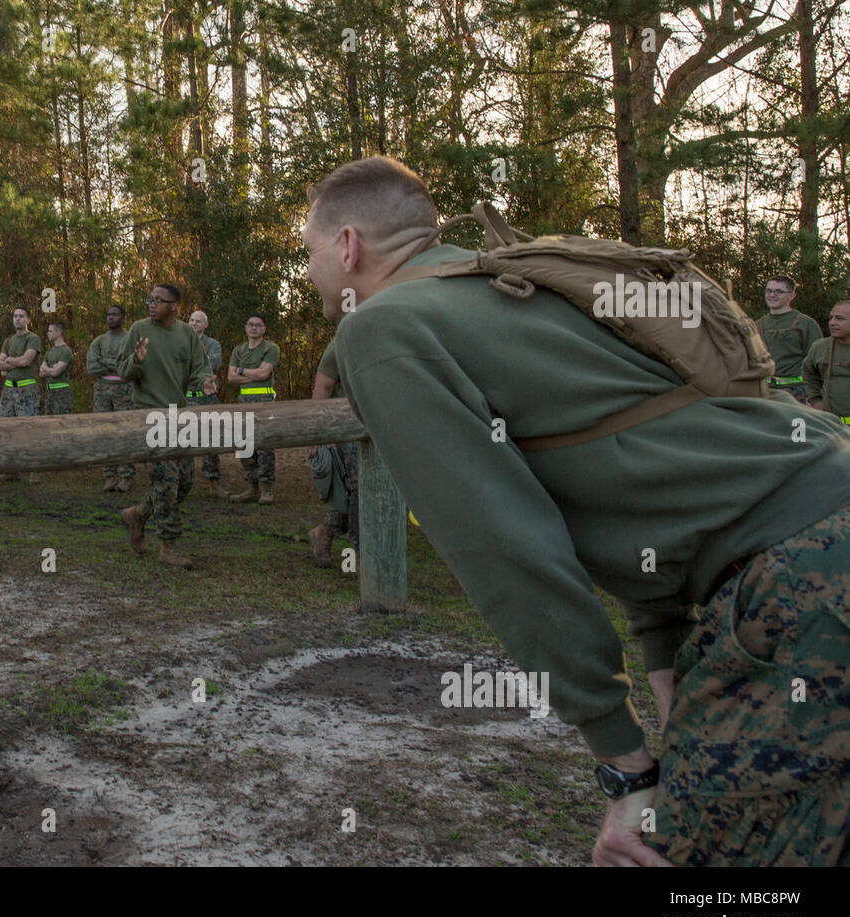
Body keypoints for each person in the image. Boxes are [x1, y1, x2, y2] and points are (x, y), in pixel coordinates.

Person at [304, 155, 850, 866]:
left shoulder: (381, 329)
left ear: (347, 246)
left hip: (805, 580)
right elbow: (654, 461)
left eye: (308, 252)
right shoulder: (527, 278)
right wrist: (668, 681)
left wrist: (624, 764)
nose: (309, 270)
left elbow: (505, 548)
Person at [118, 283, 215, 568]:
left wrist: (205, 381)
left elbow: (199, 367)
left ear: (175, 305)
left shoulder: (186, 333)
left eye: (159, 300)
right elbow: (122, 371)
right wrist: (136, 361)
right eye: (150, 299)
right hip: (148, 414)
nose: (151, 304)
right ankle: (168, 546)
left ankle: (137, 513)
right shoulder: (138, 329)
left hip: (178, 415)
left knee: (184, 482)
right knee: (166, 482)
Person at [306, 339, 359, 566]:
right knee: (361, 488)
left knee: (364, 490)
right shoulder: (343, 341)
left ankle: (325, 531)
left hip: (385, 427)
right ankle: (360, 556)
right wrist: (318, 434)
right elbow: (323, 386)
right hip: (347, 426)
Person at [226, 314, 279, 504]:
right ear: (246, 327)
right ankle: (251, 487)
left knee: (264, 444)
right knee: (244, 443)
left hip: (264, 401)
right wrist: (253, 374)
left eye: (258, 325)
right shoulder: (239, 350)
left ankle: (267, 489)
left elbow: (265, 373)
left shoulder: (270, 348)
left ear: (264, 329)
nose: (254, 328)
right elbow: (230, 378)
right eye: (251, 324)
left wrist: (241, 371)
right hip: (243, 401)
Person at [87, 304, 135, 492]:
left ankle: (126, 476)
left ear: (123, 318)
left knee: (125, 433)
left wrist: (105, 362)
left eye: (114, 315)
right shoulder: (98, 342)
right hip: (102, 393)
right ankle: (109, 476)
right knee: (103, 432)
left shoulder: (130, 340)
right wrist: (117, 364)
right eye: (108, 315)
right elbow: (91, 368)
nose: (110, 318)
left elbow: (131, 366)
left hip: (125, 391)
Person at [757, 275, 823, 404]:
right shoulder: (757, 325)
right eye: (769, 291)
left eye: (779, 291)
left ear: (792, 295)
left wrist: (815, 397)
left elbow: (818, 363)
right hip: (766, 391)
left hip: (799, 394)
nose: (772, 295)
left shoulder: (805, 324)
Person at [0, 306, 41, 482]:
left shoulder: (33, 338)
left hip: (27, 390)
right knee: (7, 430)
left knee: (29, 429)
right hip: (8, 390)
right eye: (15, 316)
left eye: (21, 316)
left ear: (28, 320)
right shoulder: (8, 340)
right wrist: (16, 362)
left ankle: (34, 470)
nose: (17, 319)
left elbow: (26, 361)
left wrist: (10, 361)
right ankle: (11, 470)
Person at [186, 310, 226, 496]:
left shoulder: (213, 344)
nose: (194, 324)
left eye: (198, 321)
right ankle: (182, 482)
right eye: (192, 320)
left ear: (206, 325)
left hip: (207, 398)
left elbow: (212, 366)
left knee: (211, 440)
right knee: (182, 441)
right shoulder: (180, 342)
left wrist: (191, 364)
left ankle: (214, 482)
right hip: (185, 399)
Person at [802, 300, 850, 424]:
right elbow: (808, 373)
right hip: (830, 425)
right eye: (831, 318)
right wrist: (815, 400)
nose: (833, 323)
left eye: (840, 319)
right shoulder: (820, 347)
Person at [39, 322, 74, 415]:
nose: (47, 333)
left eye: (50, 331)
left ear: (58, 333)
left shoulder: (66, 351)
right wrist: (52, 369)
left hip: (62, 393)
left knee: (62, 423)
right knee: (49, 423)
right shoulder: (49, 352)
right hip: (49, 392)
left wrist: (47, 369)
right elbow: (41, 373)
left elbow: (56, 373)